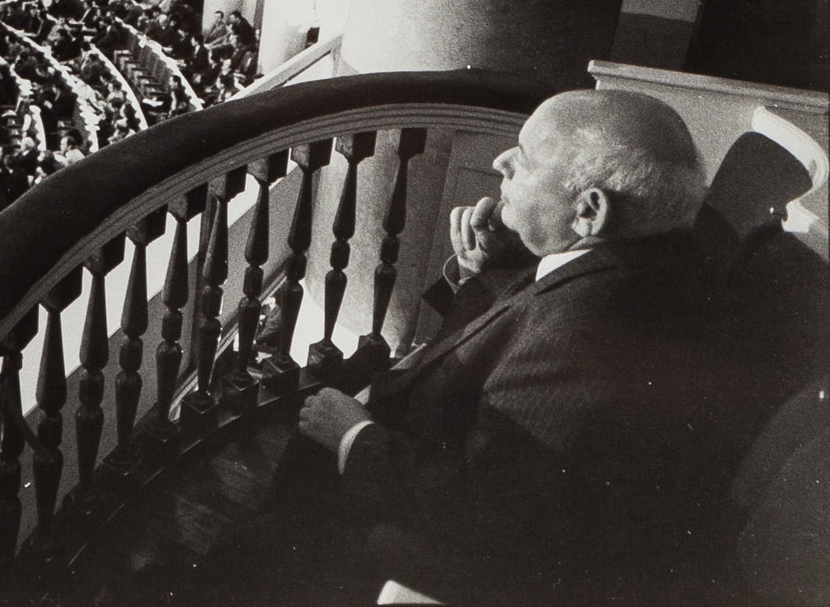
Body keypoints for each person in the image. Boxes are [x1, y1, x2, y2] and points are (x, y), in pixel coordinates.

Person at [284, 89, 741, 606]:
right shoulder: (650, 258)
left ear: (589, 210)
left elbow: (482, 511)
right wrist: (485, 272)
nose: (500, 160)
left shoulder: (582, 337)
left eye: (522, 161)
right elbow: (534, 311)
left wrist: (354, 436)